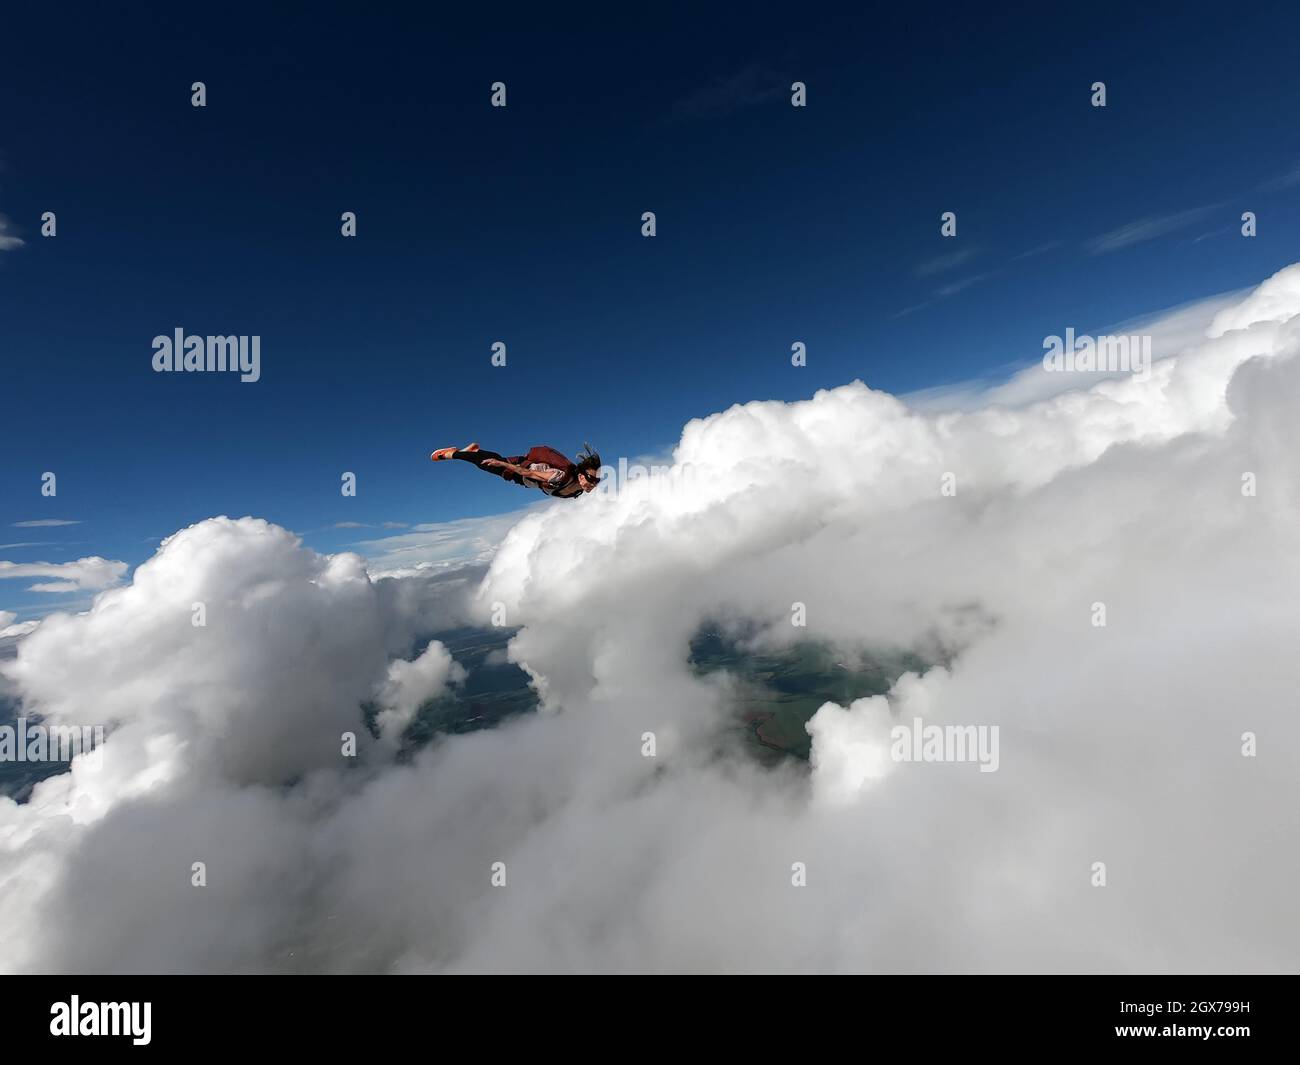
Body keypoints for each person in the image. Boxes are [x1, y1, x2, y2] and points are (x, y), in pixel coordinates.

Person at [430, 442, 602, 498]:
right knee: (489, 464)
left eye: (596, 481)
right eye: (591, 479)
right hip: (520, 470)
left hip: (525, 475)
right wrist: (505, 466)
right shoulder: (559, 476)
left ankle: (476, 451)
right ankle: (454, 453)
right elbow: (529, 473)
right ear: (581, 475)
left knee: (497, 460)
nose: (593, 484)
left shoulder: (580, 487)